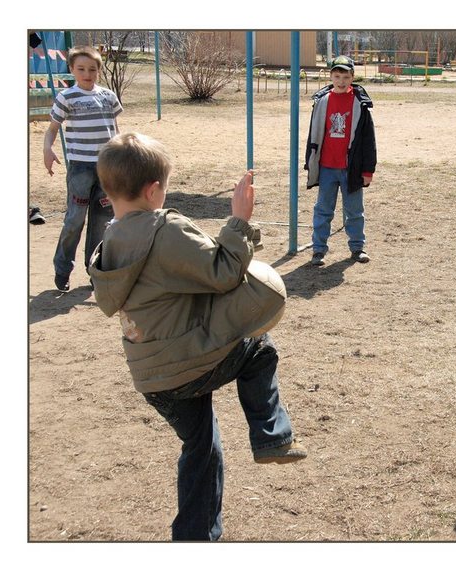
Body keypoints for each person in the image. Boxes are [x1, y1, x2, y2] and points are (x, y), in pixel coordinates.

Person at [88, 132, 307, 541]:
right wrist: (239, 219)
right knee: (258, 348)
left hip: (152, 378)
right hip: (188, 365)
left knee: (201, 449)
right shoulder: (164, 228)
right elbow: (223, 272)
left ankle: (193, 541)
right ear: (154, 190)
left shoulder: (109, 239)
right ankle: (271, 436)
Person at [44, 45, 122, 292]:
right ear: (72, 70)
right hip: (80, 169)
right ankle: (62, 270)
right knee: (75, 219)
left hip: (106, 169)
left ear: (99, 70)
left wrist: (122, 156)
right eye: (81, 69)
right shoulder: (66, 97)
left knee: (102, 222)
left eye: (92, 69)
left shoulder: (108, 96)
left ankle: (95, 272)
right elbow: (52, 128)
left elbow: (115, 130)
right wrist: (48, 148)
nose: (86, 73)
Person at [304, 55, 377, 266]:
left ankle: (357, 247)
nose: (341, 81)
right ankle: (318, 250)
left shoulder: (360, 105)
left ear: (352, 77)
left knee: (354, 211)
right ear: (331, 77)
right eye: (337, 76)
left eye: (346, 76)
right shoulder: (322, 102)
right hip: (327, 167)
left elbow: (368, 141)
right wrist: (311, 161)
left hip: (351, 169)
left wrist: (367, 171)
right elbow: (315, 135)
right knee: (323, 209)